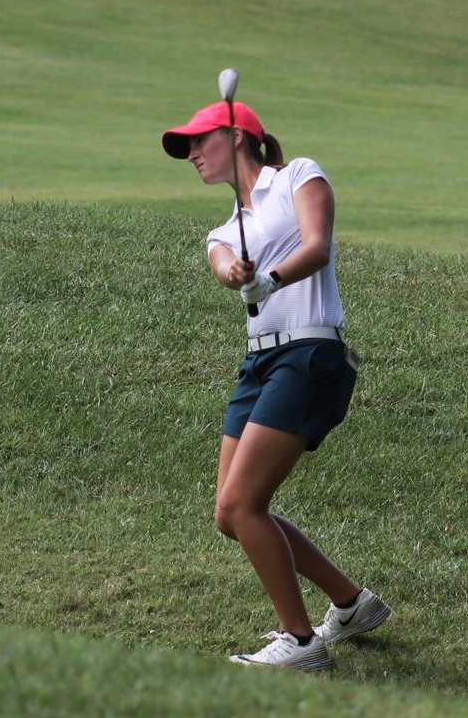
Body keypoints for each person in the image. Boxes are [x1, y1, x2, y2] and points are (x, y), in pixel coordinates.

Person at [161, 98, 391, 672]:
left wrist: (269, 277)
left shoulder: (298, 177)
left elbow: (316, 245)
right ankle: (351, 602)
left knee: (243, 505)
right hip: (258, 366)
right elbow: (221, 265)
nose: (191, 154)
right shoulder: (222, 230)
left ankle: (301, 640)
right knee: (230, 514)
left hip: (311, 353)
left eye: (200, 141)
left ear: (238, 135)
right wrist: (235, 273)